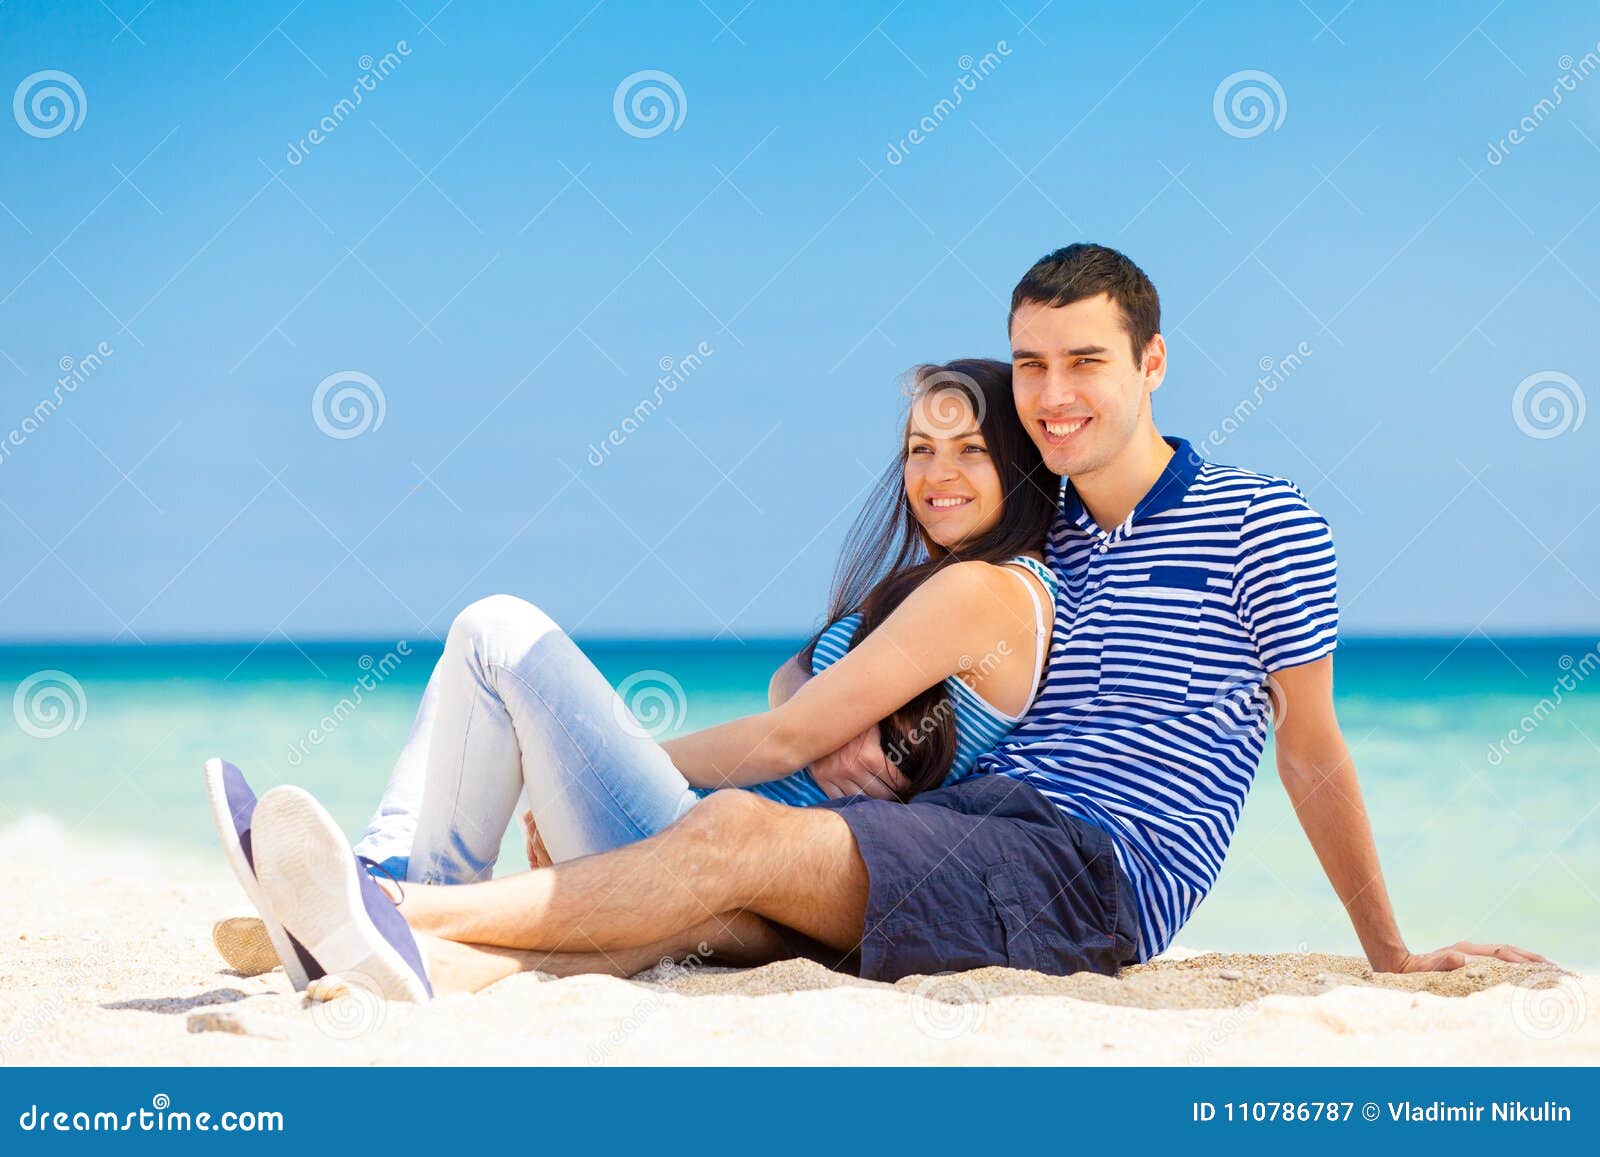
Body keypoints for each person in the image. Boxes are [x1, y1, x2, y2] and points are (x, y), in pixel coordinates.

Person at [225, 243, 1549, 1005]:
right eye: (1031, 361)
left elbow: (1311, 746)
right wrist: (877, 735)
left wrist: (1387, 947)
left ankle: (394, 903)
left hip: (1097, 872)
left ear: (1152, 364)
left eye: (1084, 359)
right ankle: (388, 952)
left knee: (737, 836)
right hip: (976, 830)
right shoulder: (1046, 535)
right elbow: (940, 696)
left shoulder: (1260, 520)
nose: (1052, 390)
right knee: (724, 907)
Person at [207, 358, 1078, 995]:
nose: (936, 474)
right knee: (478, 652)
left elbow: (784, 732)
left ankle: (387, 888)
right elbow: (792, 686)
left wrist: (614, 766)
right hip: (710, 854)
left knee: (496, 630)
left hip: (716, 857)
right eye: (921, 448)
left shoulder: (985, 590)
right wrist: (835, 714)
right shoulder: (934, 584)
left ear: (1021, 463)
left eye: (970, 449)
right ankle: (384, 893)